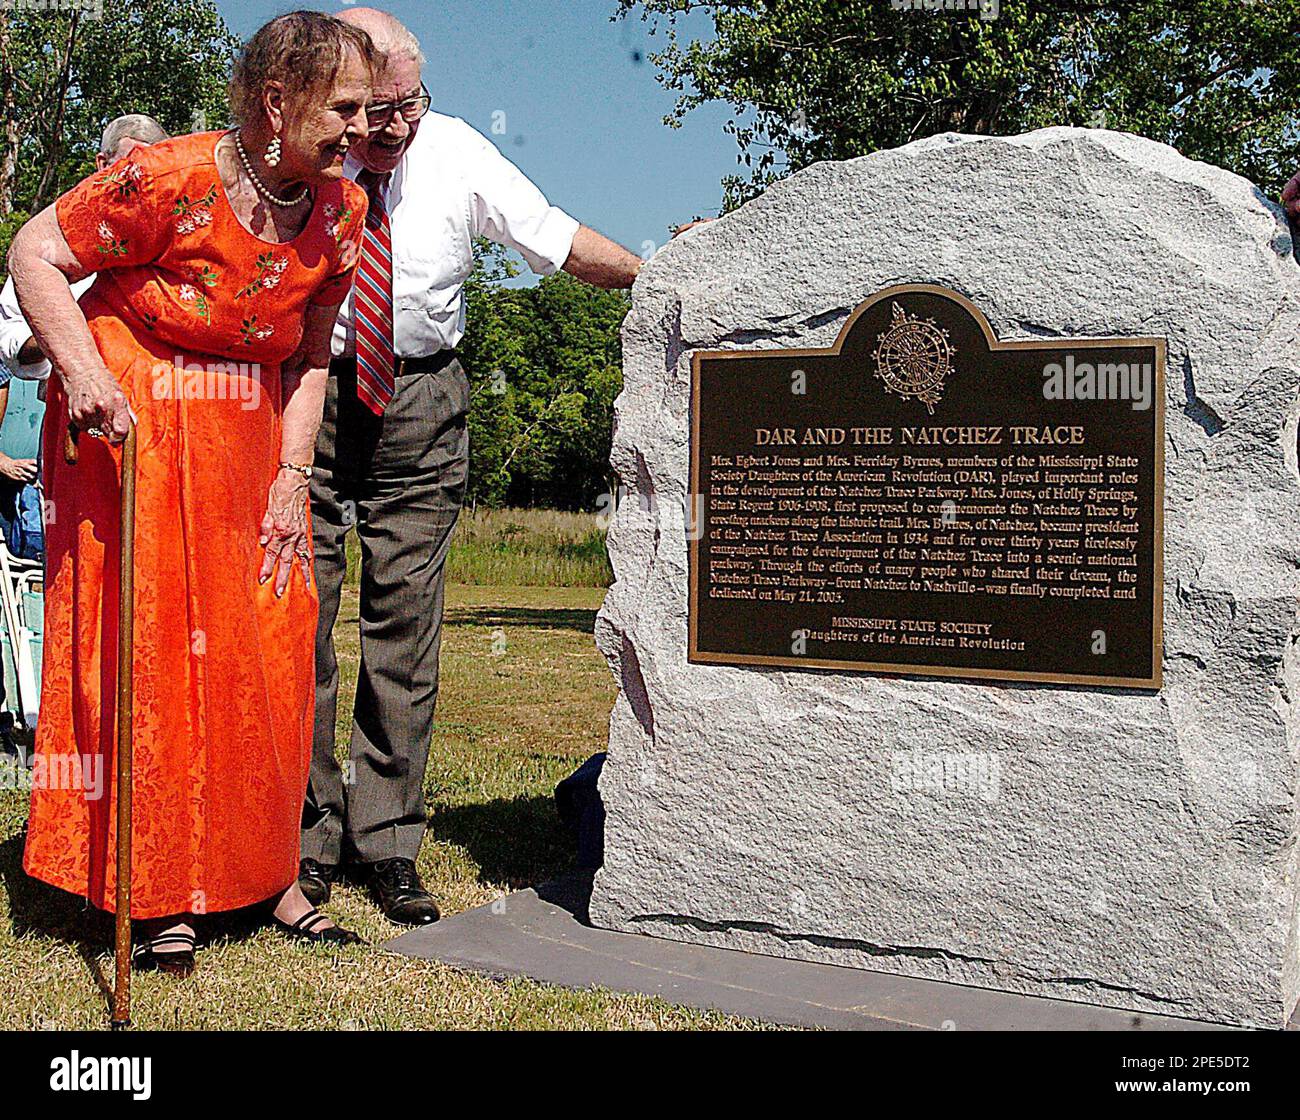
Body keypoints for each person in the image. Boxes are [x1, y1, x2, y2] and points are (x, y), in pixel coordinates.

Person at [9, 10, 377, 975]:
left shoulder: (344, 211)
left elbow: (308, 355)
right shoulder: (161, 177)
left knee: (273, 637)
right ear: (276, 102)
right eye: (342, 108)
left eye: (366, 109)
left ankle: (267, 874)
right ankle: (159, 888)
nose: (358, 127)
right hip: (131, 414)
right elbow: (33, 251)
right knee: (157, 646)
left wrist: (294, 478)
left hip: (250, 429)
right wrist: (84, 375)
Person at [299, 7, 646, 925]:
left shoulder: (455, 150)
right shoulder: (293, 156)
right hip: (302, 402)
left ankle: (387, 845)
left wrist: (662, 273)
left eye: (413, 101)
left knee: (403, 630)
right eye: (376, 110)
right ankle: (301, 841)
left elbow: (557, 240)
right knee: (297, 624)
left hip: (421, 402)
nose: (399, 125)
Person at [0, 115, 170, 385]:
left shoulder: (178, 237)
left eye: (157, 168)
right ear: (102, 164)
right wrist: (74, 336)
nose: (142, 179)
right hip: (79, 409)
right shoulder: (57, 235)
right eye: (130, 165)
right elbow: (12, 338)